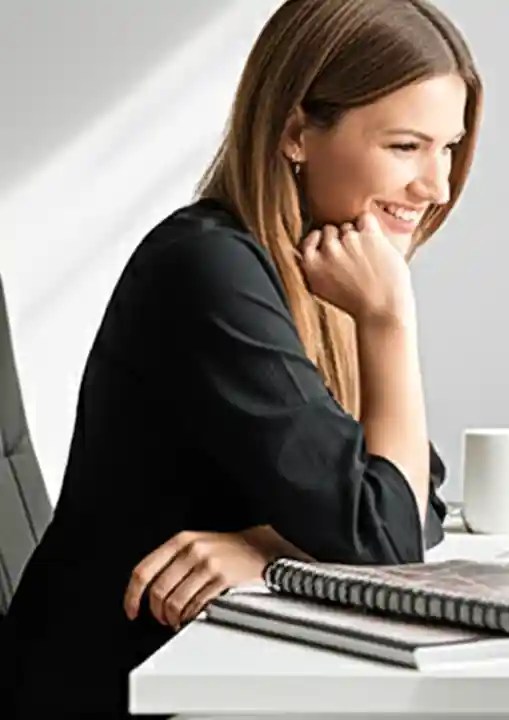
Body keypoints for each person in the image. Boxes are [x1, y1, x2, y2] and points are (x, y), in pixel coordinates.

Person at [0, 0, 482, 716]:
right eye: (407, 146)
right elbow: (392, 534)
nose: (438, 186)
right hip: (106, 692)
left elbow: (413, 492)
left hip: (193, 674)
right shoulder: (207, 269)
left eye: (449, 148)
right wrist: (390, 320)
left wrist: (269, 548)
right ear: (296, 133)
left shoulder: (308, 268)